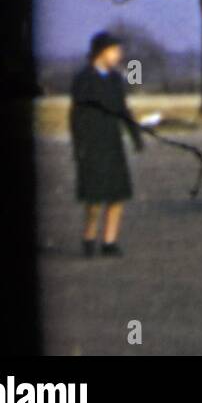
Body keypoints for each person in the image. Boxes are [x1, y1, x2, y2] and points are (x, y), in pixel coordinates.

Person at [70, 31, 143, 257]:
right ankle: (89, 236)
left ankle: (109, 241)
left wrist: (135, 135)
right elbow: (77, 115)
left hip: (112, 143)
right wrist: (79, 144)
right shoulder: (84, 79)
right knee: (94, 198)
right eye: (114, 51)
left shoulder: (115, 79)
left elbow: (123, 109)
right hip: (92, 143)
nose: (118, 55)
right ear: (101, 52)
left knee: (116, 195)